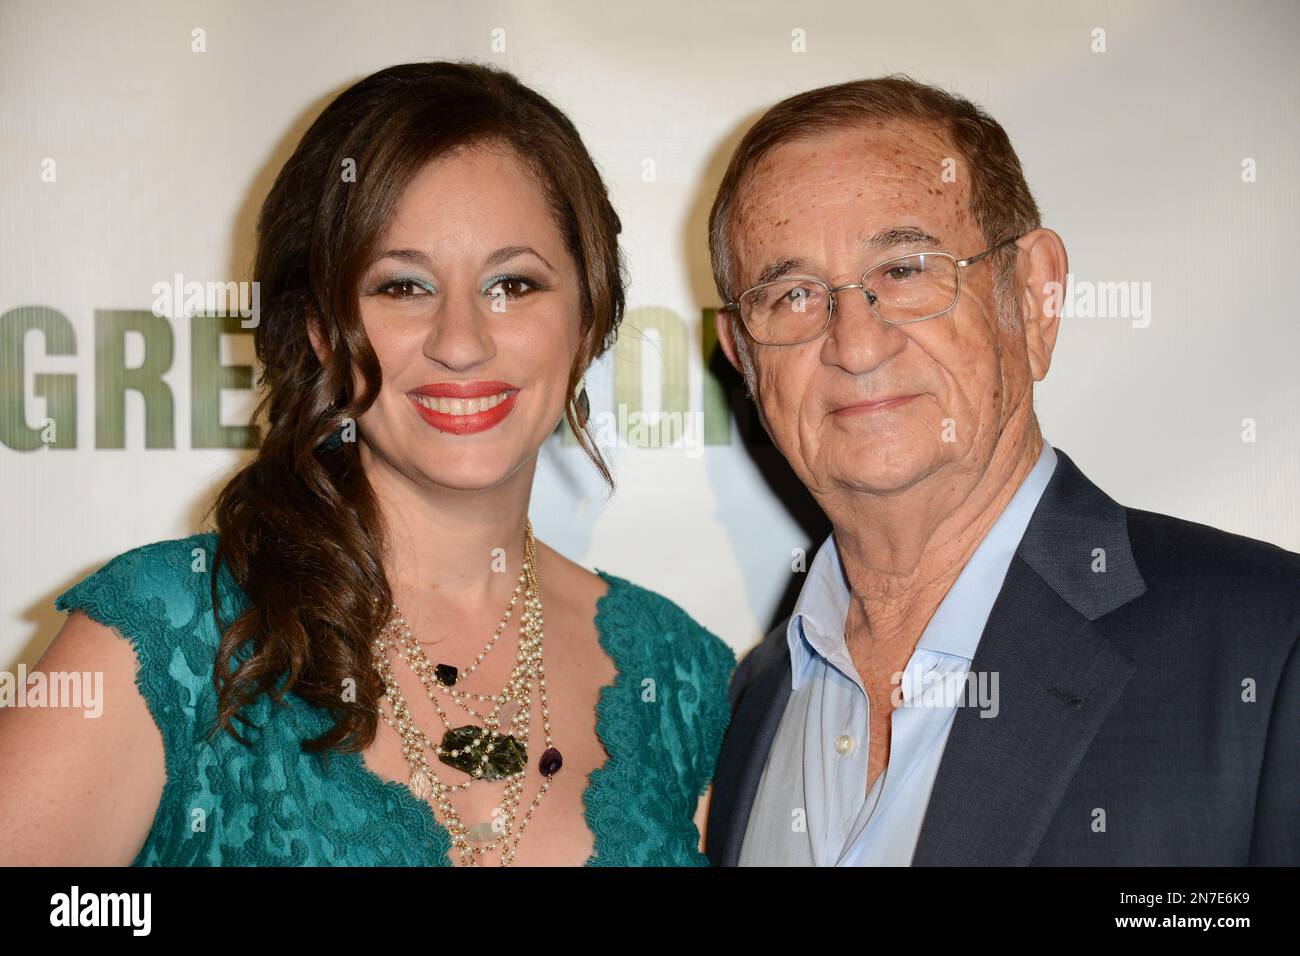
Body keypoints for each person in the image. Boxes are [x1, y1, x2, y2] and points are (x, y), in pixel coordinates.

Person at [0, 61, 733, 867]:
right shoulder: (162, 634)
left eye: (513, 284)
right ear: (320, 329)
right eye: (402, 286)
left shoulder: (678, 673)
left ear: (587, 320)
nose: (462, 341)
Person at [703, 75, 1299, 866]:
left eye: (906, 270)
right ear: (743, 356)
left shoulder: (1271, 650)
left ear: (1034, 295)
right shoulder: (750, 704)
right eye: (794, 293)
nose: (855, 343)